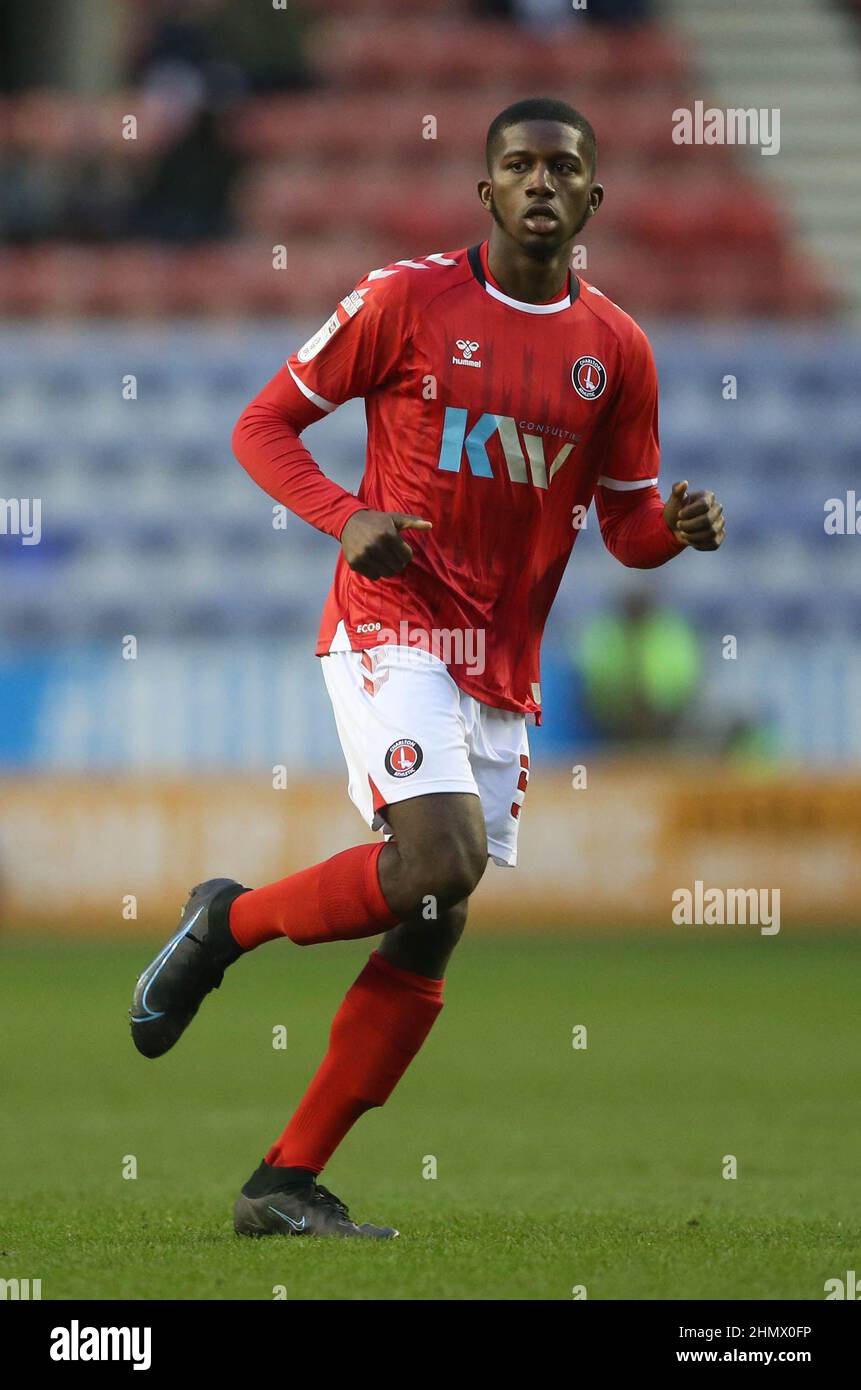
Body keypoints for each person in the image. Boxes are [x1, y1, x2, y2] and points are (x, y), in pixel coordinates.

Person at [130, 96, 726, 1239]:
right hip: (391, 623)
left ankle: (283, 1181)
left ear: (593, 198)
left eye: (562, 168)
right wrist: (346, 515)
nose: (540, 183)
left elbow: (629, 527)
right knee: (437, 854)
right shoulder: (404, 301)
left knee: (436, 910)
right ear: (486, 191)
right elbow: (261, 426)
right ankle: (229, 925)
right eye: (518, 165)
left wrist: (677, 530)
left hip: (501, 668)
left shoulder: (619, 352)